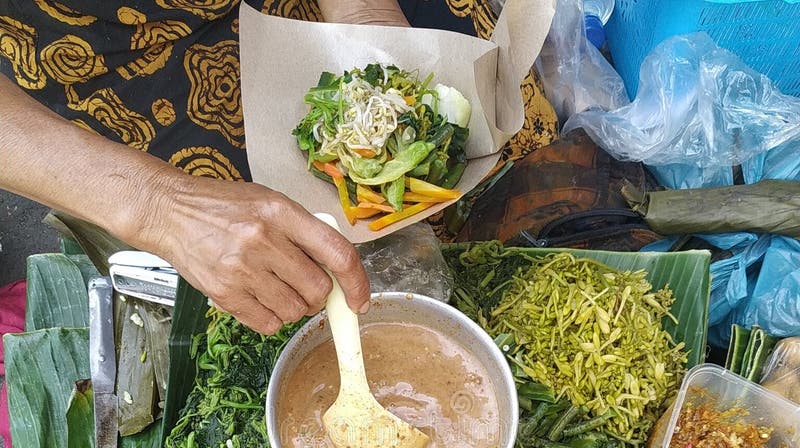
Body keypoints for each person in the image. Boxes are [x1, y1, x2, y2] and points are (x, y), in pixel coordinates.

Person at [0, 1, 556, 334]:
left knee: (500, 160)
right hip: (118, 70)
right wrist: (159, 207)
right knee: (279, 286)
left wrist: (366, 22)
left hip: (304, 19)